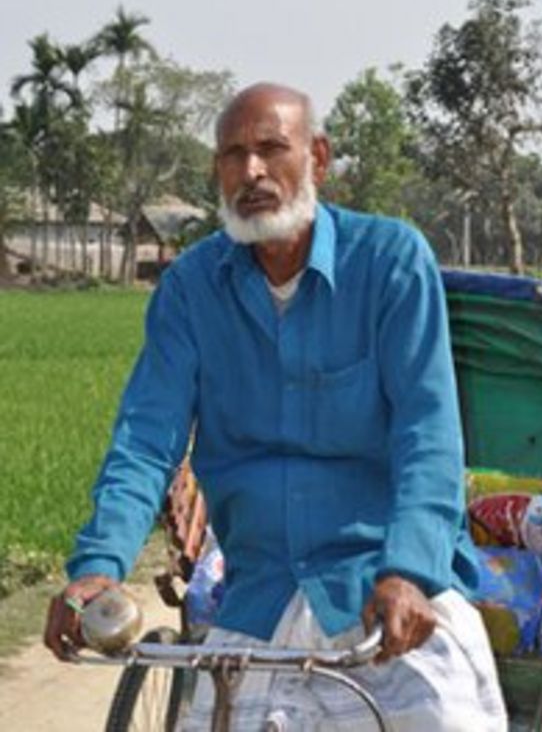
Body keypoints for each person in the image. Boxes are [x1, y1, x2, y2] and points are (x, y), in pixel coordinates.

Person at [44, 83, 507, 730]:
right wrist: (97, 567)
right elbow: (145, 441)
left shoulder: (390, 262)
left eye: (271, 149)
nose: (252, 171)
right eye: (234, 155)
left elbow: (427, 433)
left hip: (385, 592)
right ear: (218, 172)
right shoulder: (190, 289)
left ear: (317, 158)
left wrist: (407, 571)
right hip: (260, 597)